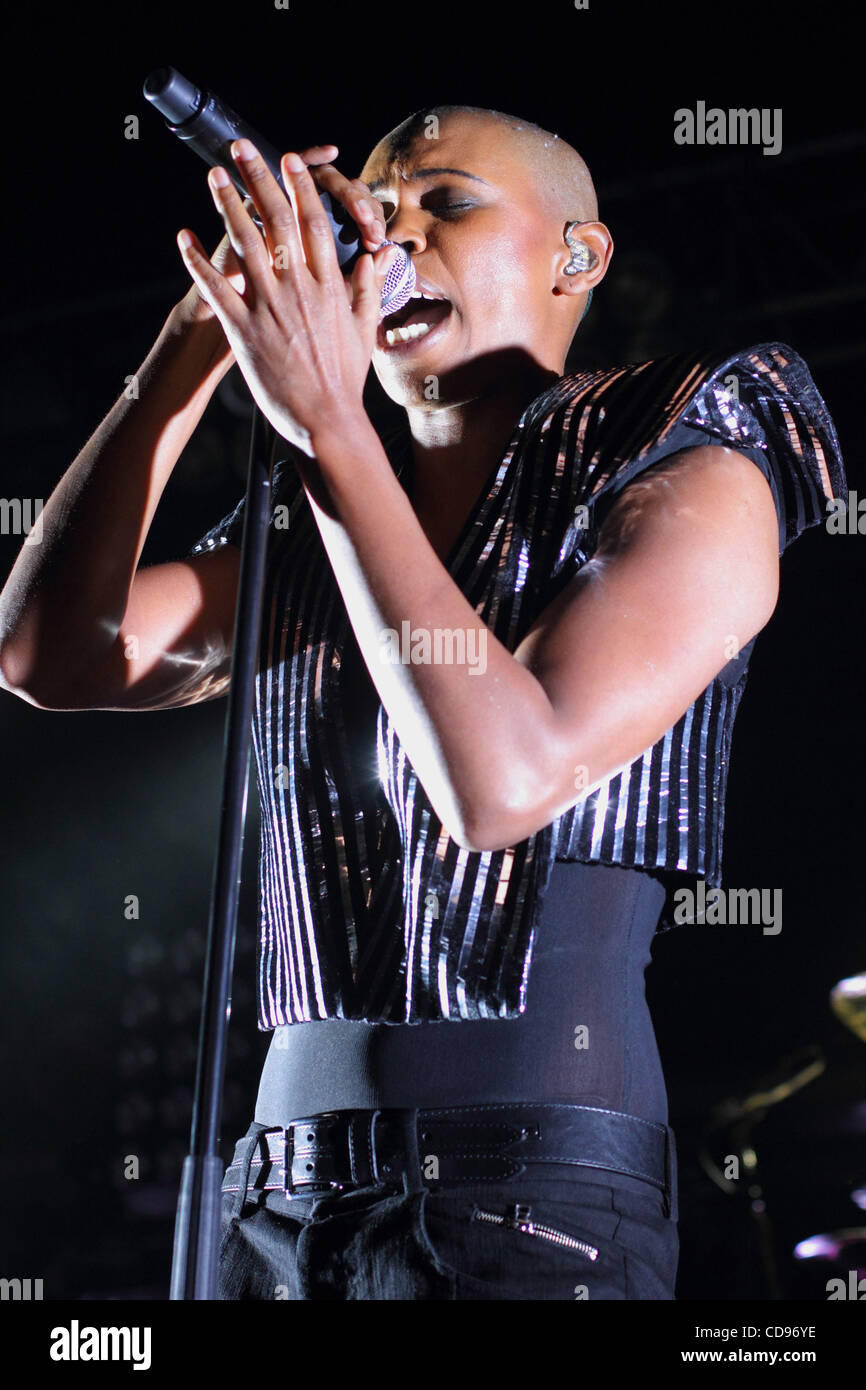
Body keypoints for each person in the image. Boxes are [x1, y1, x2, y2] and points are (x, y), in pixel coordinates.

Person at [0, 105, 845, 1301]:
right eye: (370, 216)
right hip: (277, 1201)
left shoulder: (682, 446)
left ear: (576, 256)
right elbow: (47, 651)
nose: (390, 241)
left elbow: (503, 782)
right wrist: (194, 338)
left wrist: (329, 426)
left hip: (524, 1196)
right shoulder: (318, 519)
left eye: (444, 203)